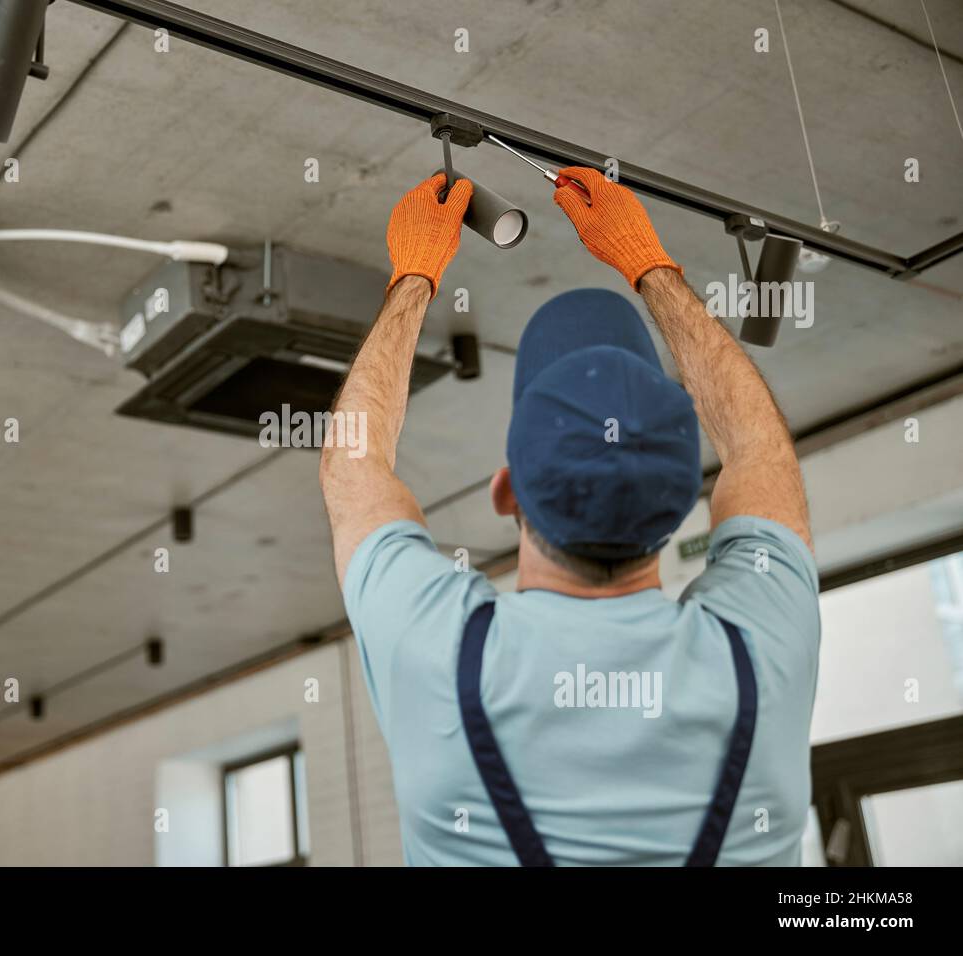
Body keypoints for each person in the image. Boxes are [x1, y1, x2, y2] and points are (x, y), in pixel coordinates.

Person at [318, 168, 820, 866]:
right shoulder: (759, 657)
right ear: (680, 509)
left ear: (505, 493)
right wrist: (653, 269)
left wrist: (413, 274)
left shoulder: (443, 652)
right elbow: (760, 449)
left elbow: (351, 462)